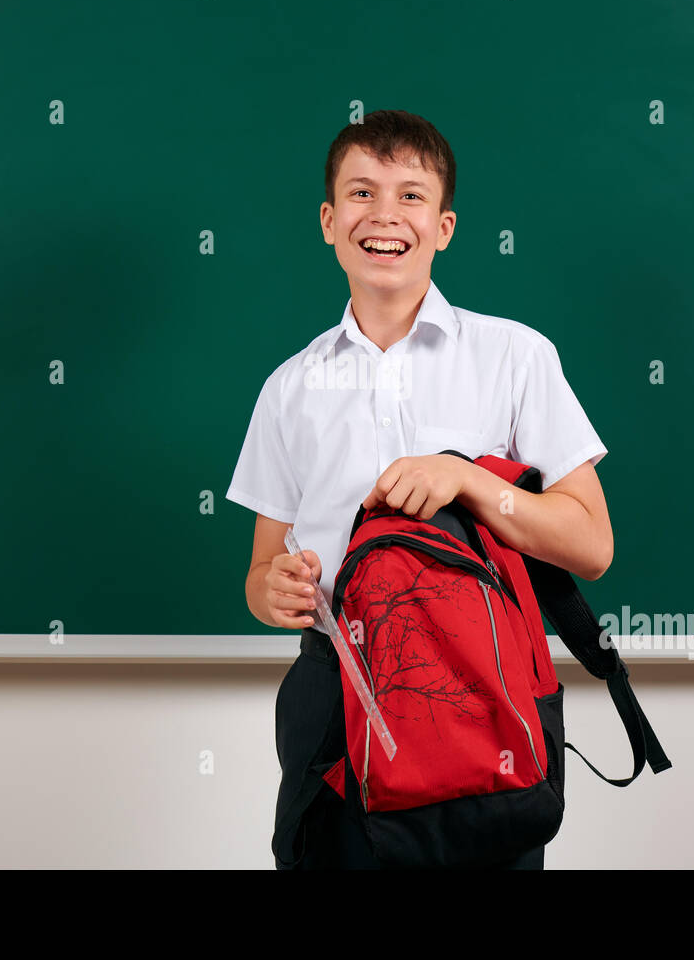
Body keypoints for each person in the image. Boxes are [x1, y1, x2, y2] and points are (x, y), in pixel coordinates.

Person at [226, 109, 613, 869]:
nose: (385, 214)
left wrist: (466, 478)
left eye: (411, 195)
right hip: (334, 691)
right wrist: (272, 591)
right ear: (331, 222)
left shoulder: (515, 357)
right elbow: (260, 571)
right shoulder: (289, 387)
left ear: (444, 227)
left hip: (478, 689)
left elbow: (591, 544)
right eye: (362, 193)